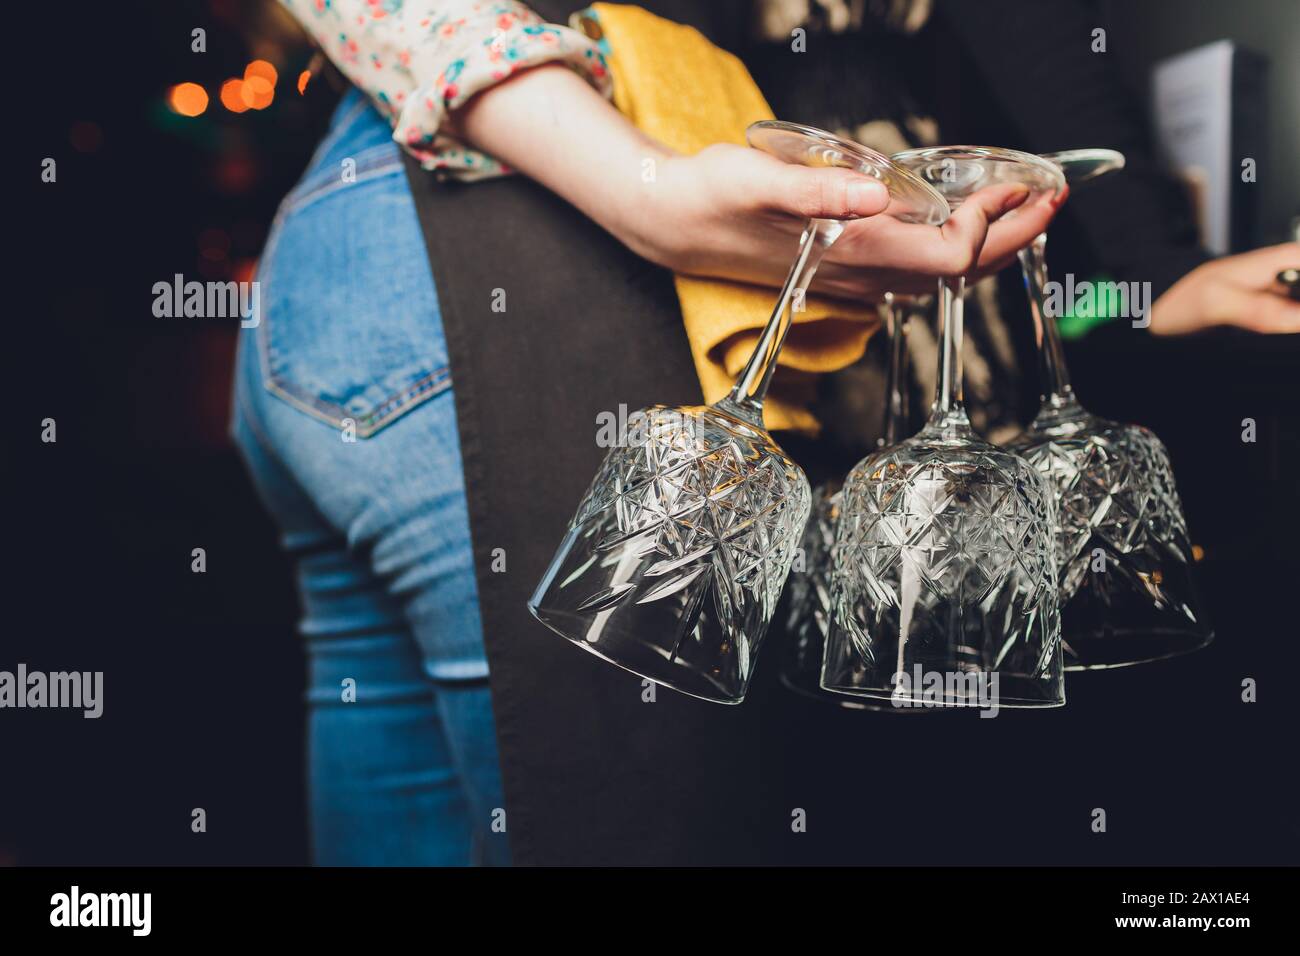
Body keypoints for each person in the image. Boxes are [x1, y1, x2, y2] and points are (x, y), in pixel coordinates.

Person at [235, 0, 1297, 865]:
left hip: (338, 249)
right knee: (632, 817)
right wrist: (641, 187)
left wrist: (1155, 274)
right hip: (524, 226)